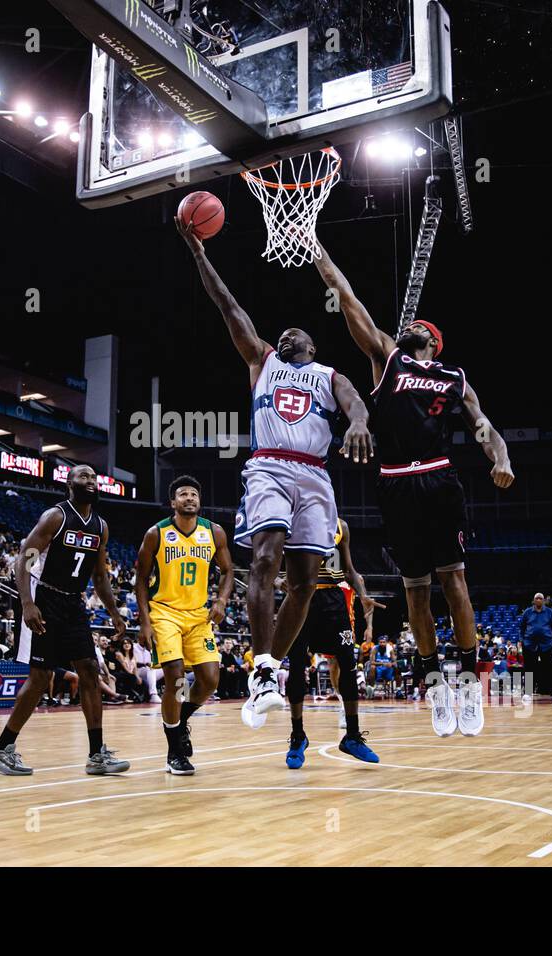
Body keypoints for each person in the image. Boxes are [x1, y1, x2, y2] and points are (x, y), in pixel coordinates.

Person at [176, 217, 372, 731]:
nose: (286, 334)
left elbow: (355, 403)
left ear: (311, 345)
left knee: (305, 581)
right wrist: (198, 252)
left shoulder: (329, 376)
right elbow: (228, 305)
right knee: (266, 557)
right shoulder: (262, 359)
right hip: (269, 466)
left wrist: (358, 423)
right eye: (281, 333)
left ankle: (272, 666)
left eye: (296, 332)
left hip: (315, 475)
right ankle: (262, 669)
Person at [313, 243, 513, 737]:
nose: (413, 326)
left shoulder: (453, 378)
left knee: (456, 583)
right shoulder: (387, 358)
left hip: (441, 479)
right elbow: (348, 297)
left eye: (422, 327)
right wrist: (317, 252)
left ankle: (467, 683)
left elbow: (484, 425)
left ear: (434, 341)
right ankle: (434, 686)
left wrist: (502, 458)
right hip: (397, 482)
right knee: (416, 594)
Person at [0, 464, 129, 776]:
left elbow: (100, 575)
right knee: (40, 678)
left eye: (93, 477)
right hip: (45, 598)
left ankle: (96, 754)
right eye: (83, 476)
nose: (90, 480)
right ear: (69, 484)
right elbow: (25, 558)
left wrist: (115, 613)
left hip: (73, 603)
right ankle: (1, 748)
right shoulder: (56, 517)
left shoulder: (100, 526)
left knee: (89, 670)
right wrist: (27, 603)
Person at [134, 474, 234, 775]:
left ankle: (180, 721)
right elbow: (140, 580)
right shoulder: (156, 533)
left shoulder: (214, 532)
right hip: (164, 612)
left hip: (198, 614)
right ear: (172, 502)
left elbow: (228, 571)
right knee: (176, 678)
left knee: (210, 680)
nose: (189, 498)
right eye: (183, 494)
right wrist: (144, 622)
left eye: (193, 494)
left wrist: (220, 601)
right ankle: (174, 752)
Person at [284, 518, 383, 768]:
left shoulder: (342, 527)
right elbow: (271, 560)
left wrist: (362, 595)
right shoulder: (291, 522)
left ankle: (352, 736)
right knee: (297, 667)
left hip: (333, 598)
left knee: (348, 666)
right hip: (302, 597)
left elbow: (349, 570)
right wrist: (276, 579)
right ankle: (298, 737)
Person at [519, 593, 552, 702]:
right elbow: (522, 627)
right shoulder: (527, 612)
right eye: (536, 598)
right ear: (533, 600)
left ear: (543, 601)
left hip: (547, 645)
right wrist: (523, 641)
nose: (538, 600)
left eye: (540, 598)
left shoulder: (549, 612)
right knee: (529, 669)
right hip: (529, 645)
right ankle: (528, 693)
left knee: (550, 669)